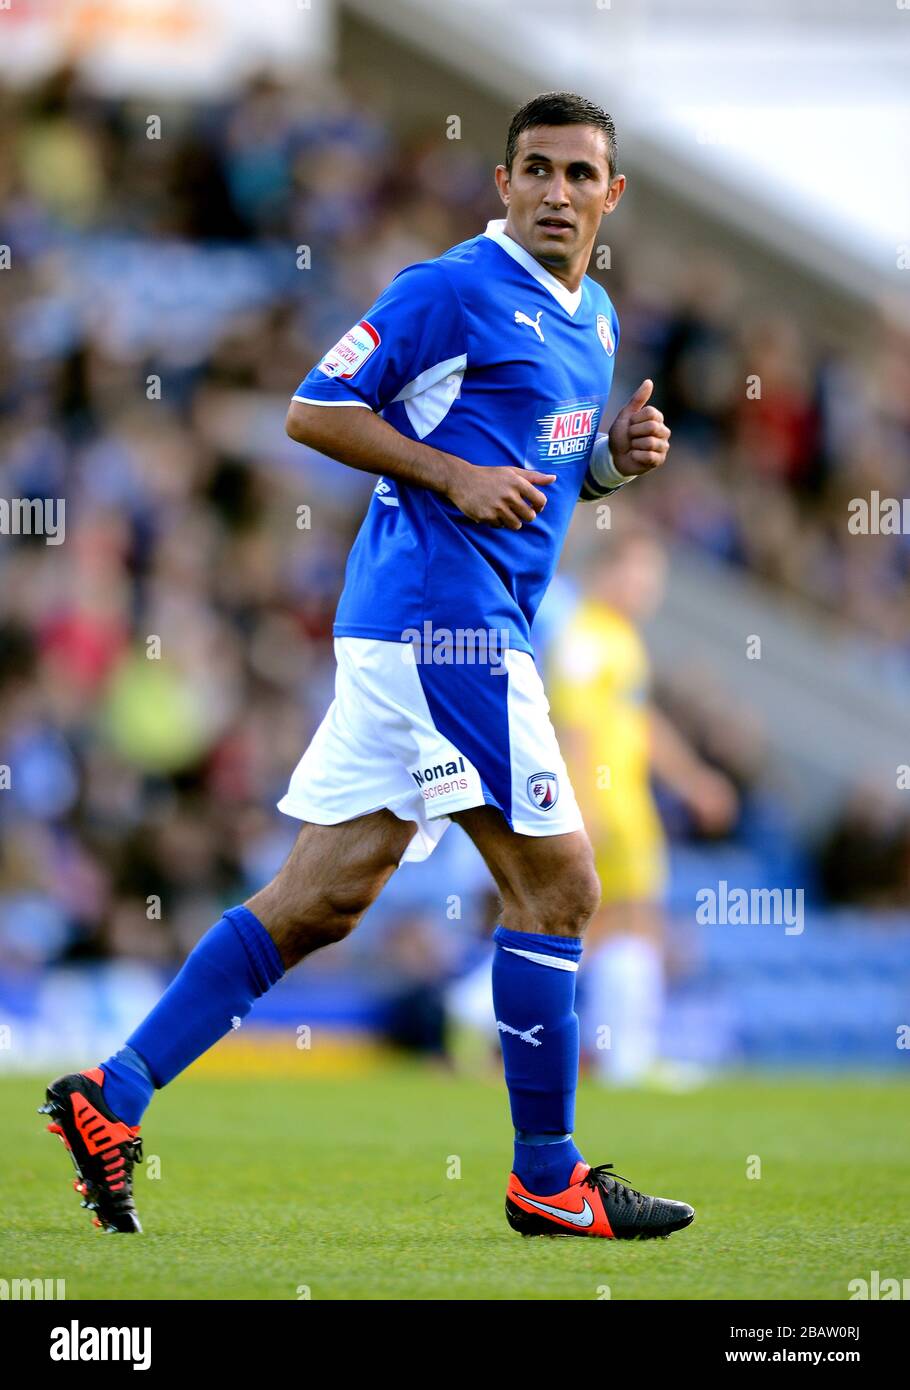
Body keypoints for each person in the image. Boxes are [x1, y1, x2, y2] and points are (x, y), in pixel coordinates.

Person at [41, 92, 693, 1241]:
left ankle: (113, 1095)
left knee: (318, 900)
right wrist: (445, 477)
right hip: (445, 627)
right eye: (533, 169)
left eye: (577, 175)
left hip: (430, 626)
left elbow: (523, 475)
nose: (554, 191)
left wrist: (606, 468)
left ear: (610, 195)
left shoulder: (588, 318)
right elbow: (312, 409)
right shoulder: (449, 288)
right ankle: (549, 1175)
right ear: (502, 184)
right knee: (562, 888)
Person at [547, 530, 738, 1088]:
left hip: (630, 803)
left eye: (653, 575)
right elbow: (574, 725)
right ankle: (483, 1006)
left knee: (635, 921)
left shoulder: (621, 639)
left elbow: (641, 723)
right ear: (607, 571)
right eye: (639, 572)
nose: (649, 587)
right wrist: (582, 803)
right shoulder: (583, 634)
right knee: (605, 924)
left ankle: (628, 1053)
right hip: (603, 803)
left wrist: (693, 780)